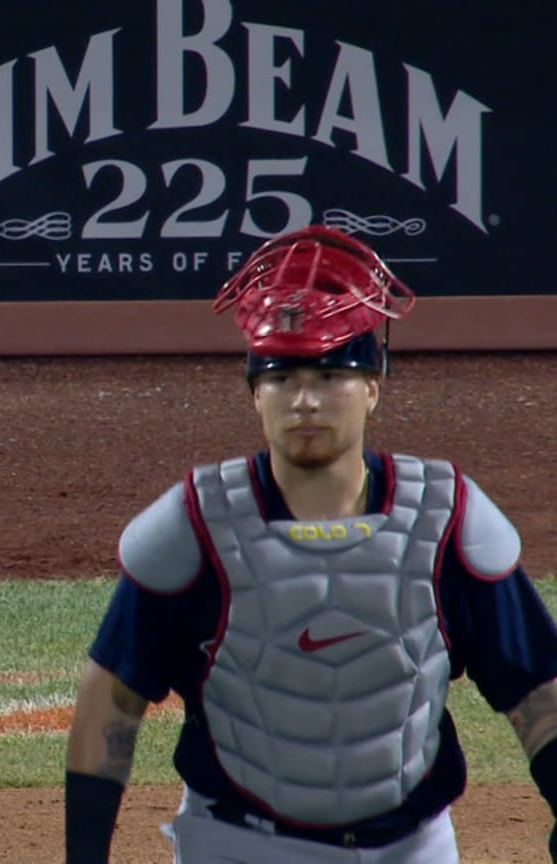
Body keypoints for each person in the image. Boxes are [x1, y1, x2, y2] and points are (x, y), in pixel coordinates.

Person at [64, 226, 557, 863]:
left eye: (330, 375)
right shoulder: (192, 525)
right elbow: (113, 698)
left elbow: (536, 689)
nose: (305, 401)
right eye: (283, 377)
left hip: (412, 848)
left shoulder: (446, 518)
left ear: (374, 386)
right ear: (254, 394)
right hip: (239, 846)